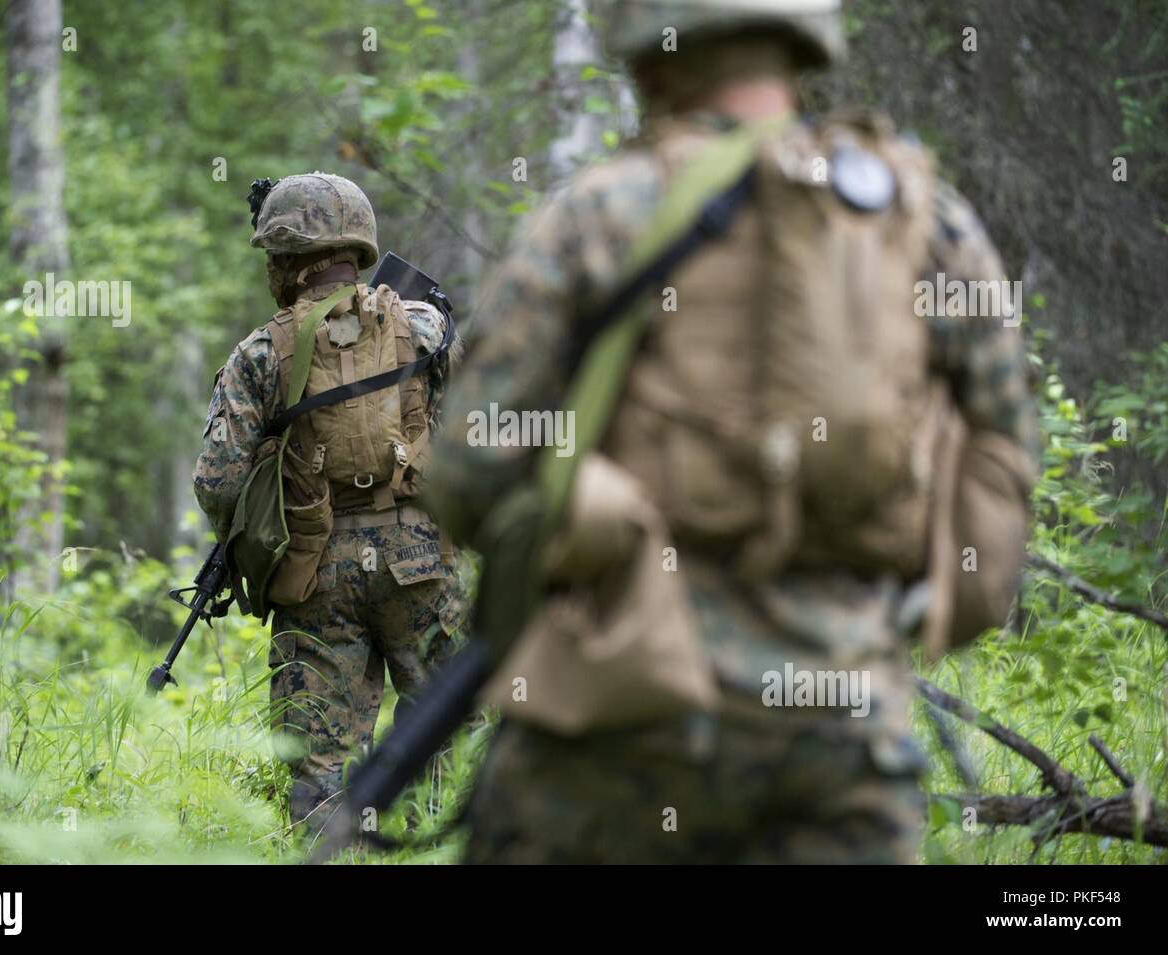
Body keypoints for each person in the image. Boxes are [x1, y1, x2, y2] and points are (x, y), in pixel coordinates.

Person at [422, 0, 1038, 863]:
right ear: (800, 48)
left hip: (616, 724)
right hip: (842, 733)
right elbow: (1004, 464)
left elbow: (463, 473)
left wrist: (576, 507)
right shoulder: (925, 221)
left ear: (650, 61)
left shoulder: (601, 213)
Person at [194, 172, 463, 831]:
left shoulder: (260, 353)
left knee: (317, 761)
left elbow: (217, 481)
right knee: (449, 730)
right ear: (359, 248)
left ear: (283, 263)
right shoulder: (426, 326)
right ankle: (439, 842)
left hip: (312, 573)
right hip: (419, 562)